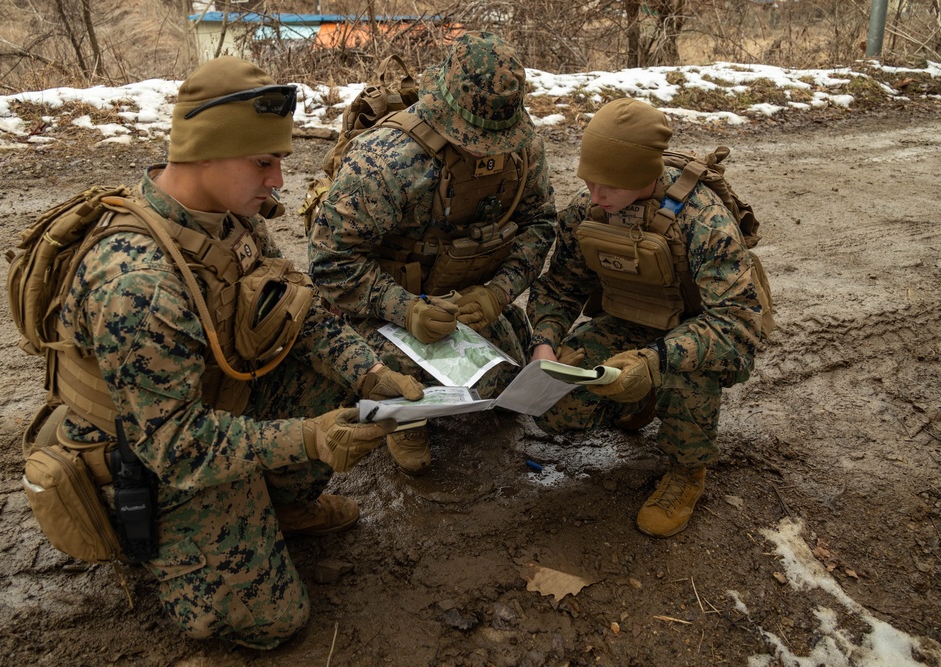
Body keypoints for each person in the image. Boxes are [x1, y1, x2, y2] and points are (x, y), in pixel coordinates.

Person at [44, 56, 423, 648]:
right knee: (273, 622)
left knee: (337, 372)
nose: (277, 181)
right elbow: (172, 444)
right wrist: (309, 437)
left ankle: (279, 508)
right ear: (204, 153)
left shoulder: (225, 218)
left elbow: (297, 310)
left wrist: (371, 372)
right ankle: (172, 552)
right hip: (151, 458)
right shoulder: (138, 283)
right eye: (263, 162)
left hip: (215, 409)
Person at [308, 31, 557, 475]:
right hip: (380, 309)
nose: (486, 150)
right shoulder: (385, 161)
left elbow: (540, 224)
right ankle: (402, 420)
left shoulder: (523, 150)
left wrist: (498, 293)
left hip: (462, 302)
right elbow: (331, 264)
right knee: (405, 389)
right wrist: (405, 310)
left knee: (507, 382)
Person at [527, 98, 767, 538]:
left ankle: (686, 470)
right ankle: (640, 399)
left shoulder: (704, 219)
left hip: (693, 334)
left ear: (642, 176)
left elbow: (738, 324)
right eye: (589, 181)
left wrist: (655, 360)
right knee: (555, 411)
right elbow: (560, 286)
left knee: (688, 376)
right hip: (629, 321)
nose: (594, 195)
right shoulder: (590, 208)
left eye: (608, 187)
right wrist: (545, 341)